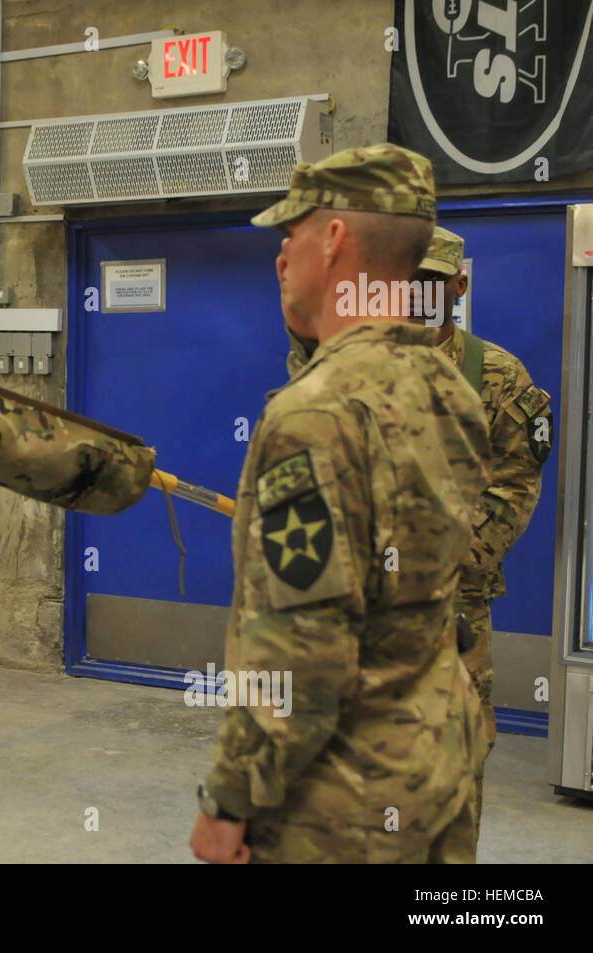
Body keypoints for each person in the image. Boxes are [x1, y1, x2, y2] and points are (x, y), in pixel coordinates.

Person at [190, 145, 490, 864]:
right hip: (441, 770)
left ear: (333, 240)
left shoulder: (312, 413)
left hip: (340, 809)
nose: (280, 256)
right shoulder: (452, 390)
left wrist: (230, 799)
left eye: (289, 232)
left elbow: (303, 647)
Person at [411, 227, 551, 834]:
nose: (415, 293)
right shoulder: (350, 366)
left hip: (453, 606)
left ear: (457, 285)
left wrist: (446, 555)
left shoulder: (493, 375)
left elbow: (514, 485)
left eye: (429, 282)